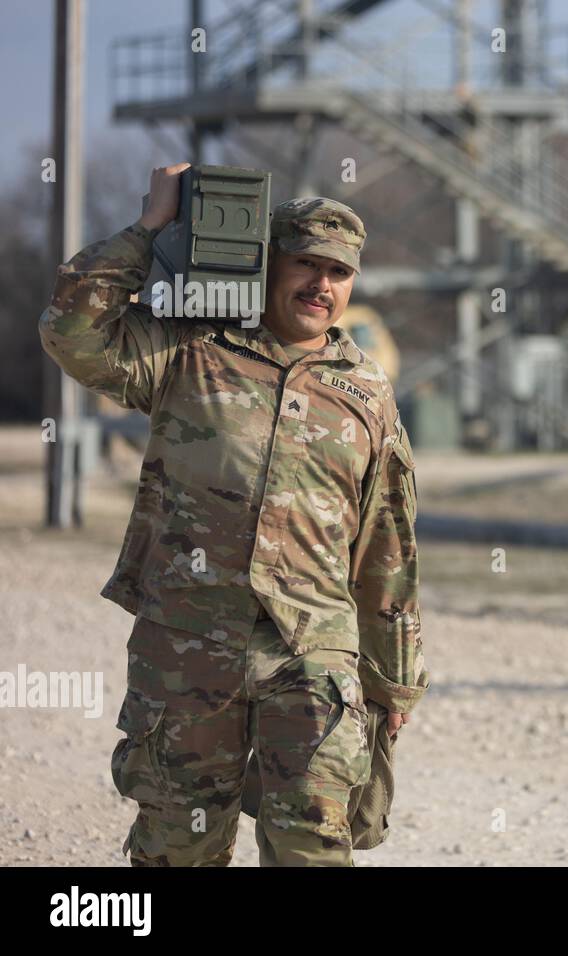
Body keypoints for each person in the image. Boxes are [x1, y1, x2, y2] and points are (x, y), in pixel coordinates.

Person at [38, 163, 428, 866]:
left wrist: (392, 682)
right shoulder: (188, 351)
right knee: (176, 844)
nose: (322, 285)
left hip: (315, 654)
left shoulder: (367, 392)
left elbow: (388, 544)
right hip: (187, 644)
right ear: (270, 263)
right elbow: (72, 330)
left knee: (313, 844)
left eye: (339, 273)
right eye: (306, 264)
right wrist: (151, 224)